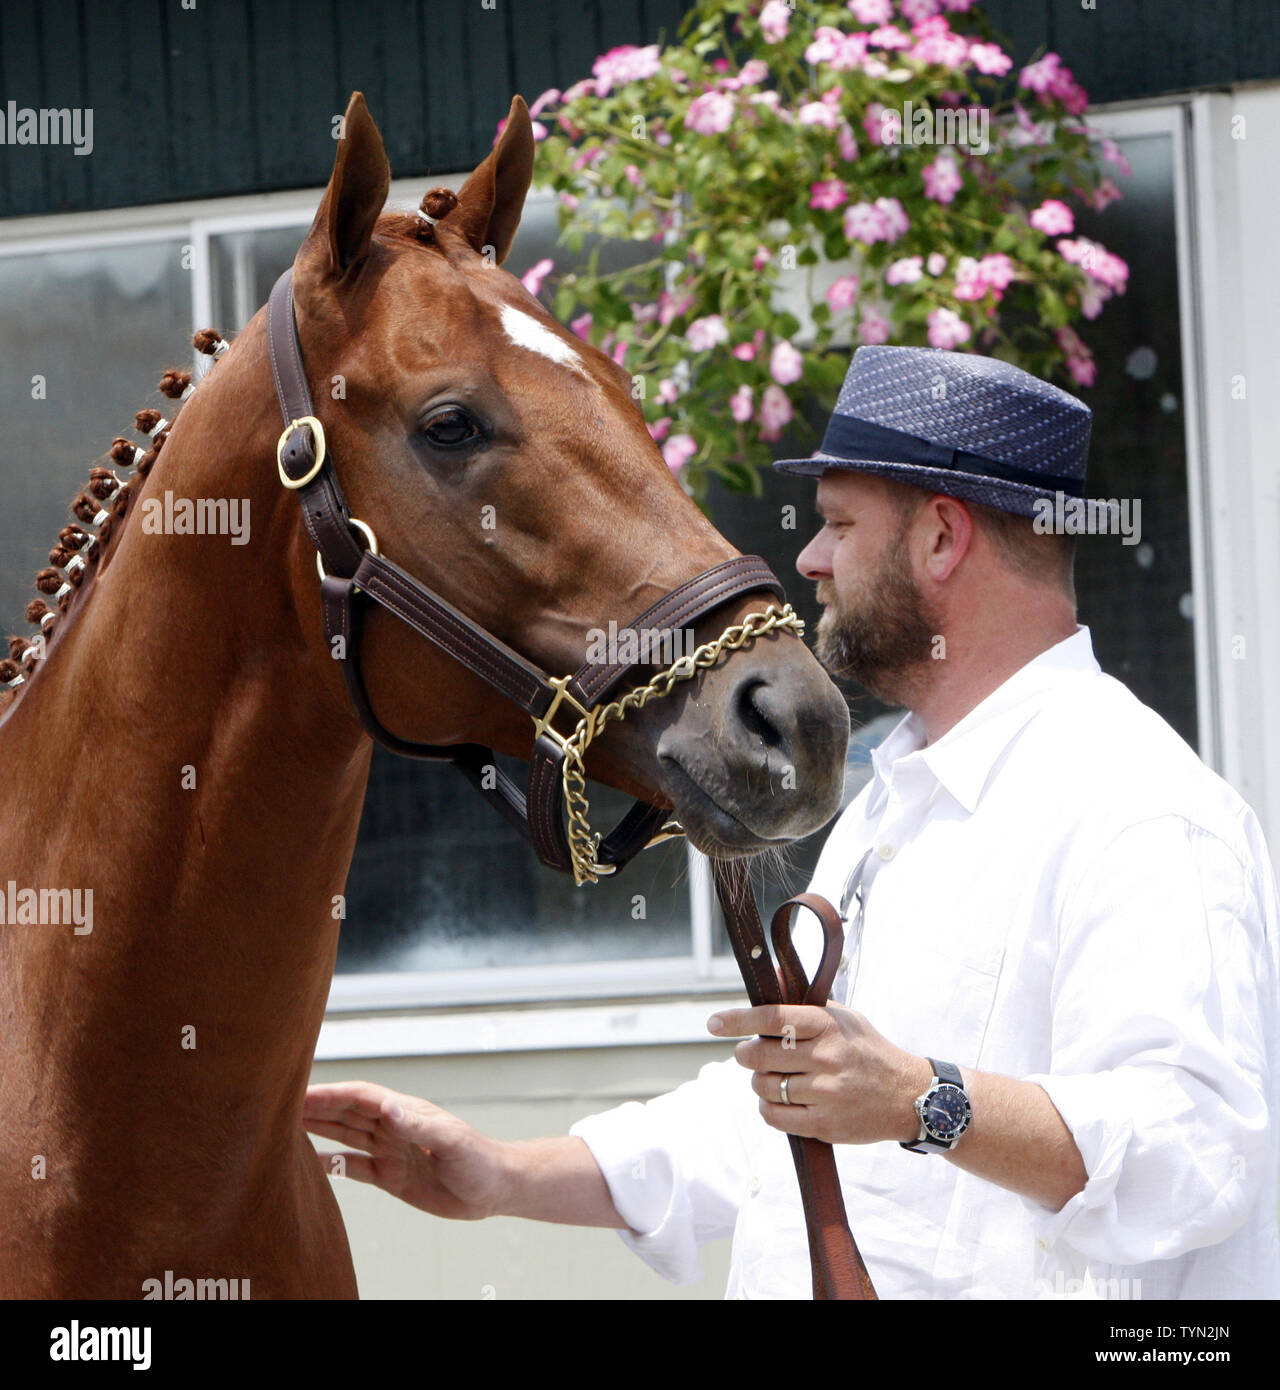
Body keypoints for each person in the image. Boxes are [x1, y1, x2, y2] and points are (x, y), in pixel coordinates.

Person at [305, 346, 1280, 1300]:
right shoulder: (895, 798)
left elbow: (1191, 1146)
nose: (807, 558)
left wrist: (920, 1100)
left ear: (941, 537)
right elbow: (783, 1117)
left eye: (838, 524)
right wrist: (500, 1175)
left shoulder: (1141, 808)